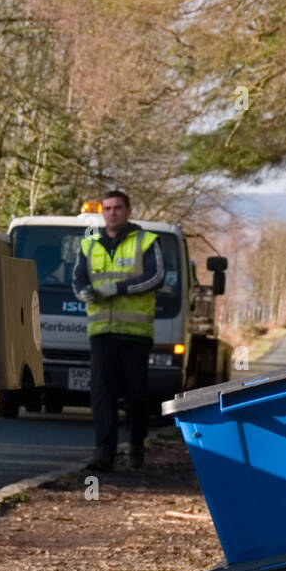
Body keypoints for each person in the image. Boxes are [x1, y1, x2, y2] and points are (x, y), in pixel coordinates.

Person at [71, 189, 164, 471]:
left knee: (135, 393)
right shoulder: (89, 244)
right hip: (101, 331)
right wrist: (83, 293)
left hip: (135, 334)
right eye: (108, 208)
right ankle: (104, 453)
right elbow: (77, 278)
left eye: (118, 208)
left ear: (128, 210)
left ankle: (135, 445)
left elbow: (156, 277)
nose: (112, 212)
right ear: (102, 212)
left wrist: (119, 288)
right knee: (102, 394)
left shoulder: (146, 241)